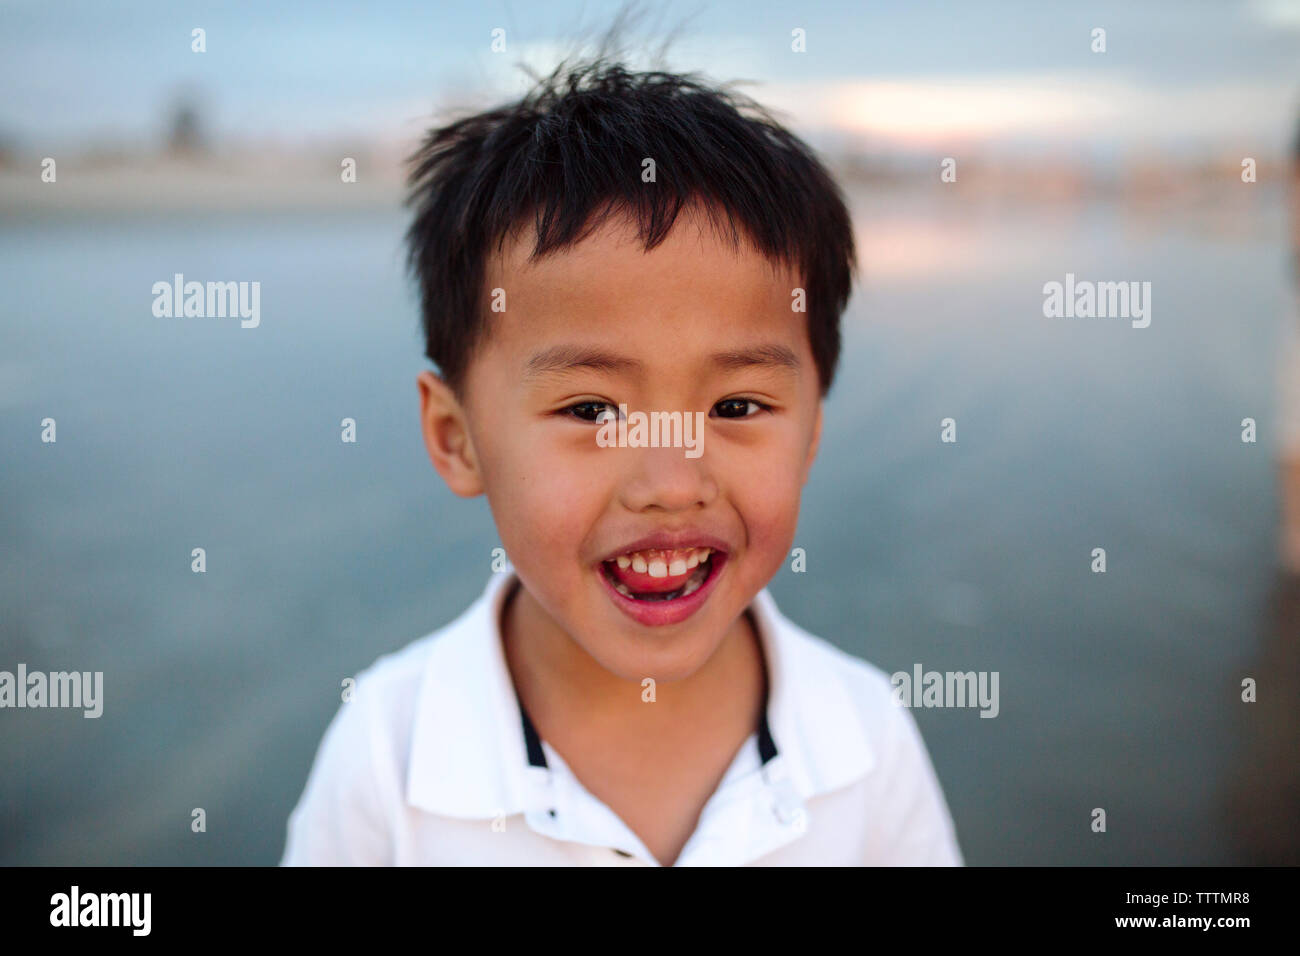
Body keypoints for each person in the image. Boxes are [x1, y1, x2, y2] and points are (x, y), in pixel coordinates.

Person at [280, 58, 963, 866]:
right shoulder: (388, 757)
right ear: (456, 437)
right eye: (591, 411)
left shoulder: (867, 739)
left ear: (811, 432)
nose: (671, 484)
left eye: (737, 408)